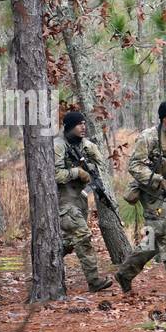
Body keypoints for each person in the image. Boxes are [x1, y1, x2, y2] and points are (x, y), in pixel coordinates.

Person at [115, 100, 166, 295]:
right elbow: (135, 166)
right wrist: (156, 179)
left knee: (153, 240)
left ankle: (125, 273)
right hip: (150, 192)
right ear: (163, 116)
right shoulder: (148, 137)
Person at [53, 111, 113, 292]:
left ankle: (46, 265)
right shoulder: (58, 146)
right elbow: (54, 174)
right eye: (79, 124)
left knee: (69, 243)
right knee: (83, 237)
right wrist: (77, 172)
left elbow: (101, 165)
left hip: (80, 198)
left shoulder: (87, 146)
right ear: (69, 126)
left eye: (84, 123)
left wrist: (89, 170)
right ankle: (94, 281)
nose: (83, 127)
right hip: (64, 199)